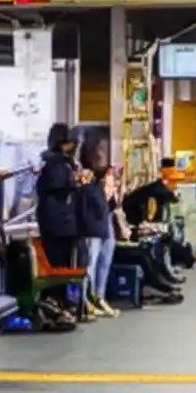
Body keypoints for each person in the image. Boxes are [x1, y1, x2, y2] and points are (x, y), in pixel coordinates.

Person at [34, 123, 82, 328]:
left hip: (59, 222)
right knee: (57, 267)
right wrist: (75, 182)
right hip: (58, 224)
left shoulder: (59, 164)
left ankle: (57, 306)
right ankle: (54, 307)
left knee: (60, 267)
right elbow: (57, 188)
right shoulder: (56, 165)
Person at [78, 135, 118, 318]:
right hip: (91, 221)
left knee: (105, 257)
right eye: (100, 150)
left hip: (105, 216)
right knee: (91, 262)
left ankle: (99, 296)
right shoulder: (86, 175)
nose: (103, 154)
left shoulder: (106, 174)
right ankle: (88, 300)